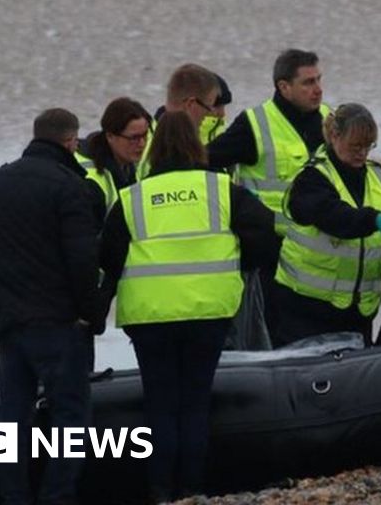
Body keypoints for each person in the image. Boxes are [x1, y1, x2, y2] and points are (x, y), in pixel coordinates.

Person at [99, 106, 274, 499]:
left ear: (154, 148)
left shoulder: (132, 198)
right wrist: (237, 264)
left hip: (150, 317)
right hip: (208, 312)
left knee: (160, 406)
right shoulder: (221, 189)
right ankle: (192, 490)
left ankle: (161, 490)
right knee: (195, 404)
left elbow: (108, 258)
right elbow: (265, 233)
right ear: (197, 146)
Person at [0, 108, 101, 505]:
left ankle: (14, 497)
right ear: (71, 142)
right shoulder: (69, 185)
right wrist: (91, 313)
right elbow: (82, 262)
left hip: (8, 323)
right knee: (70, 417)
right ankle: (58, 495)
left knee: (13, 418)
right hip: (56, 323)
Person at [273, 103, 381, 347]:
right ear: (335, 136)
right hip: (306, 306)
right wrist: (373, 219)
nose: (362, 153)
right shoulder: (311, 179)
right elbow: (334, 216)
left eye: (369, 146)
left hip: (359, 309)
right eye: (355, 146)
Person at [207, 48, 330, 342]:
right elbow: (204, 161)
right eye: (308, 82)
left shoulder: (330, 121)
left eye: (319, 80)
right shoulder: (254, 124)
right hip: (271, 252)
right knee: (275, 334)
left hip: (320, 249)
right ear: (284, 87)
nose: (318, 89)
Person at [76, 97, 151, 220]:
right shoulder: (90, 182)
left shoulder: (127, 164)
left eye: (145, 135)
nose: (142, 144)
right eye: (134, 138)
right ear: (110, 136)